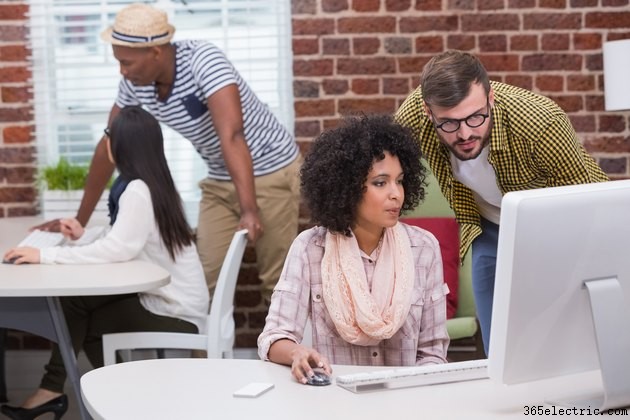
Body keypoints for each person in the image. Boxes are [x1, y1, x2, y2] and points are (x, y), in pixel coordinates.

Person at [36, 2, 302, 302]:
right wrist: (79, 221)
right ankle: (204, 349)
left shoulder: (203, 60)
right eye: (118, 62)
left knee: (276, 284)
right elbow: (110, 144)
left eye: (127, 62)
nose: (122, 71)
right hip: (219, 177)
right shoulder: (136, 84)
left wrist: (249, 209)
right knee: (204, 284)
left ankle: (288, 350)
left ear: (156, 52)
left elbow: (232, 135)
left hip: (271, 170)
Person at [395, 50, 609, 355]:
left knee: (571, 339)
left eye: (475, 117)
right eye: (450, 124)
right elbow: (387, 177)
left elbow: (586, 202)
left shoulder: (541, 123)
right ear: (429, 114)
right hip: (490, 227)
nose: (465, 133)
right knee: (500, 348)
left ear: (491, 97)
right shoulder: (412, 119)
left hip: (563, 226)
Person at [1, 106, 209, 420]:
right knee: (78, 311)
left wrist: (45, 255)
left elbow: (117, 249)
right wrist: (83, 235)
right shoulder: (150, 183)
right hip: (177, 302)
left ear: (122, 144)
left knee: (75, 313)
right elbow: (123, 236)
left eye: (108, 134)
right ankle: (113, 397)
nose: (105, 140)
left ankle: (97, 397)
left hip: (175, 311)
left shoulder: (137, 190)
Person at [257, 114, 449, 384]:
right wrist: (297, 352)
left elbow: (433, 353)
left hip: (405, 401)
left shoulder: (424, 248)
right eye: (380, 183)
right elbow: (274, 337)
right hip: (336, 401)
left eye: (400, 180)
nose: (396, 193)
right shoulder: (310, 249)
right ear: (346, 187)